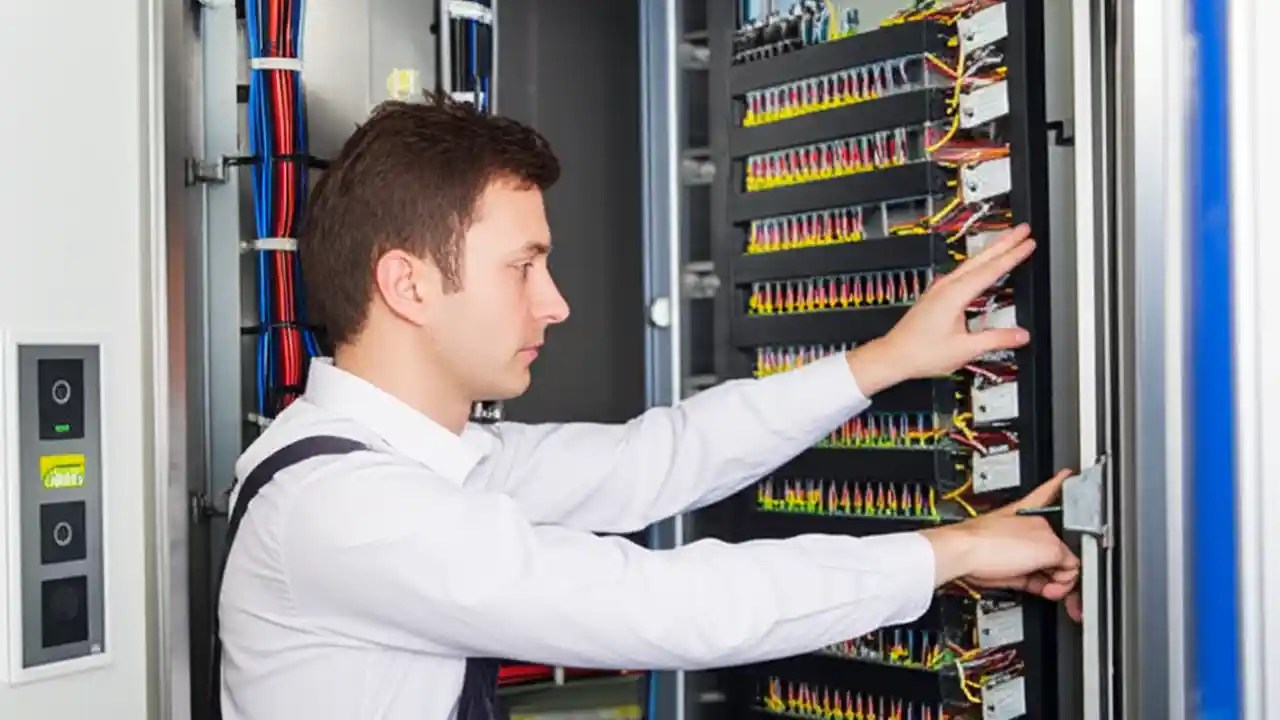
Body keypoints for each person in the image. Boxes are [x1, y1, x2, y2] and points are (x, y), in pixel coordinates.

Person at [216, 93, 1081, 720]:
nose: (554, 304)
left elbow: (652, 461)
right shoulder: (346, 510)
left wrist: (883, 362)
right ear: (407, 283)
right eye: (523, 267)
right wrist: (954, 548)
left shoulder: (417, 460)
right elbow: (669, 609)